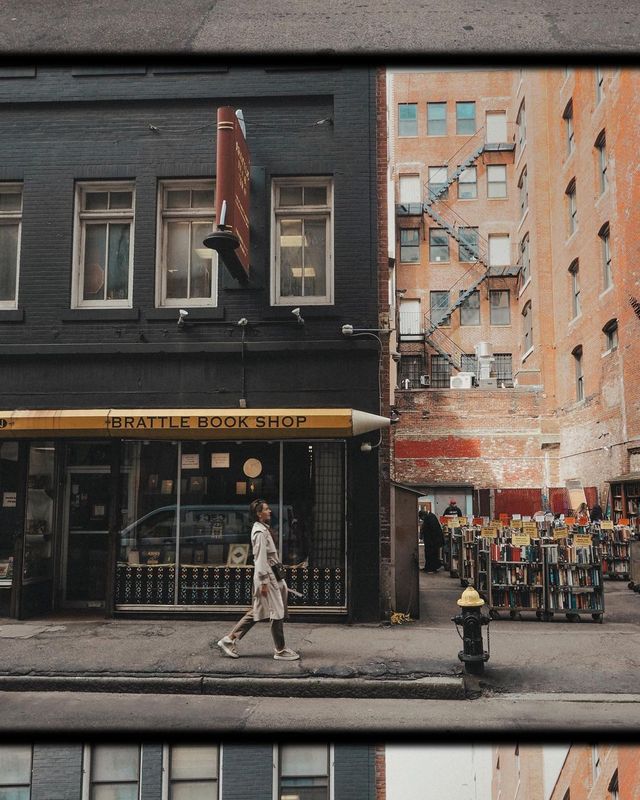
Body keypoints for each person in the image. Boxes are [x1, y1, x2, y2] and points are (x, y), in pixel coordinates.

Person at [217, 499, 299, 661]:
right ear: (258, 514)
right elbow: (260, 559)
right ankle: (280, 649)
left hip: (271, 577)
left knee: (259, 611)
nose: (269, 511)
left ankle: (229, 639)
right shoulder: (260, 532)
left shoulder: (263, 529)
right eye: (266, 509)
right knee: (276, 612)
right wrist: (263, 583)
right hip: (267, 578)